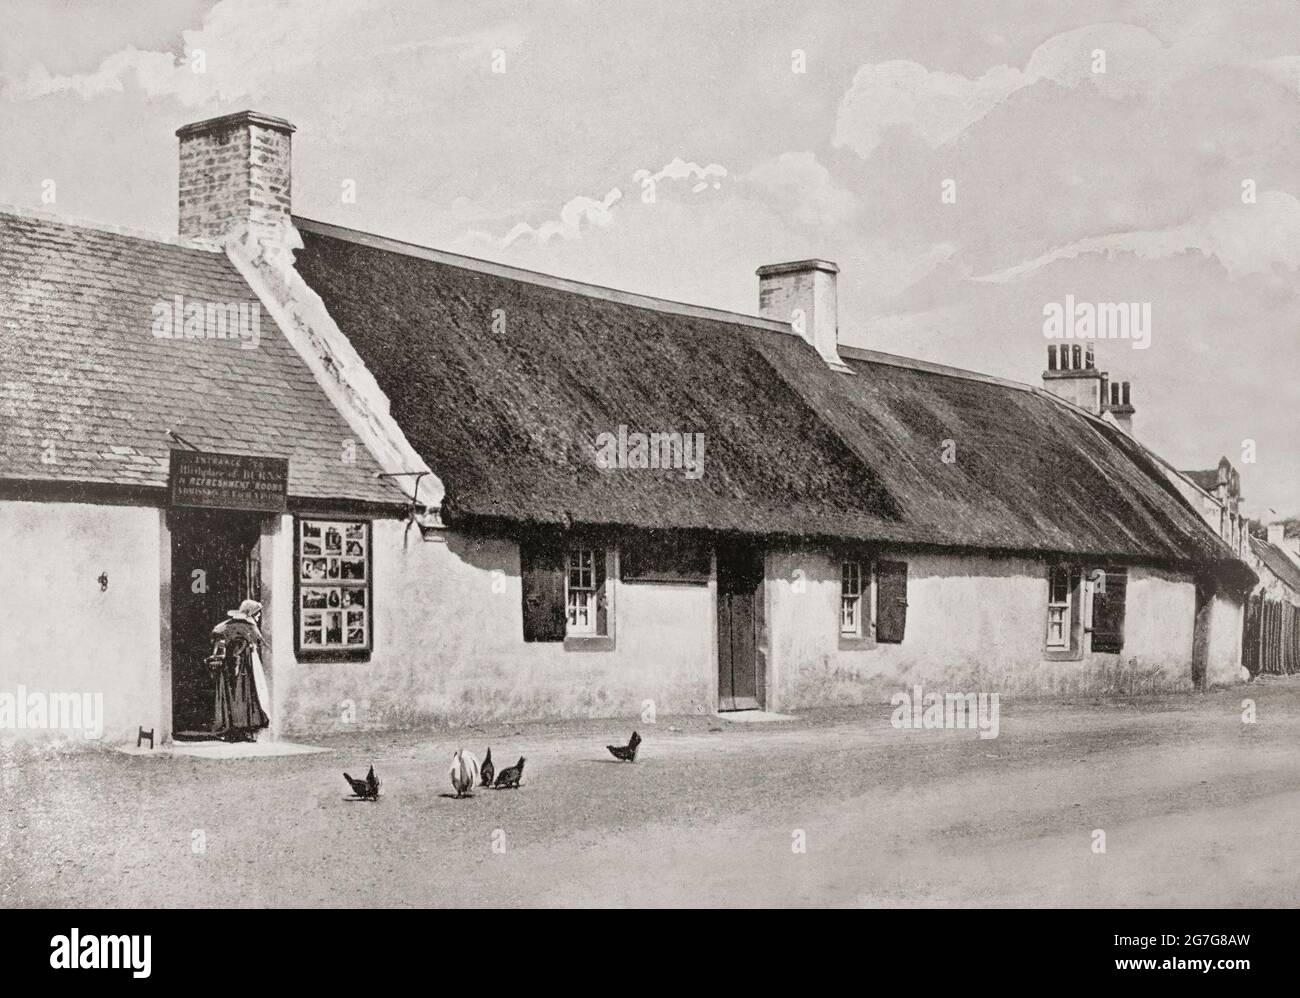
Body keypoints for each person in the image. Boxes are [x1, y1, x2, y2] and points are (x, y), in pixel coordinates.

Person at [209, 599, 270, 742]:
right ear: (252, 613)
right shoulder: (249, 626)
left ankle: (232, 728)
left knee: (232, 695)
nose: (259, 616)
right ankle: (243, 728)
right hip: (245, 665)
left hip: (230, 664)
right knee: (244, 695)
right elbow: (261, 641)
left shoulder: (226, 625)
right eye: (258, 613)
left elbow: (216, 633)